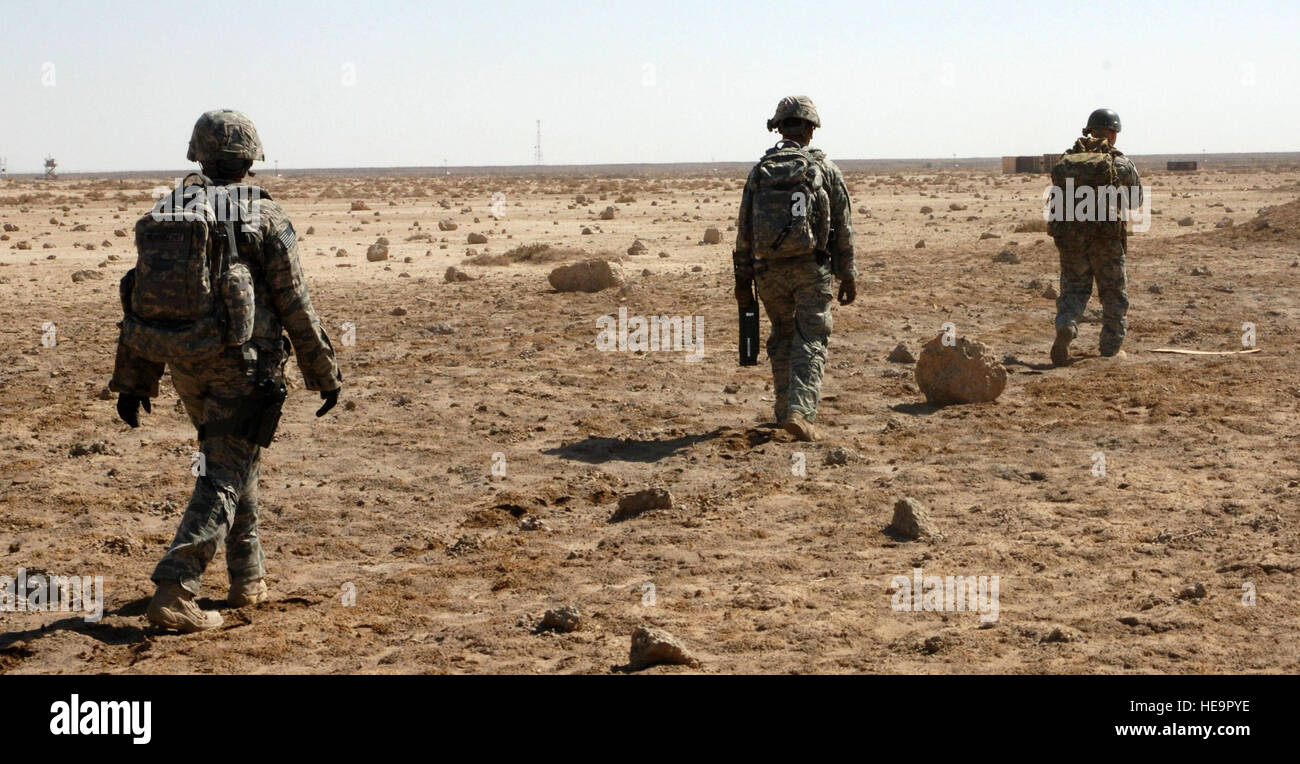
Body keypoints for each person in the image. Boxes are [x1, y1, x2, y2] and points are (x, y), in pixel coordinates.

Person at [110, 109, 343, 632]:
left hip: (183, 360)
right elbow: (296, 304)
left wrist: (134, 379)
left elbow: (143, 299)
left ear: (198, 153)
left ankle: (247, 578)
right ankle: (176, 586)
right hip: (243, 363)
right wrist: (324, 372)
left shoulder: (169, 209)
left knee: (236, 458)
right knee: (224, 470)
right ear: (251, 157)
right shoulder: (264, 215)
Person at [733, 96, 856, 442]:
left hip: (768, 272)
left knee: (783, 336)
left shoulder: (761, 171)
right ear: (810, 129)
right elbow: (843, 228)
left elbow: (743, 229)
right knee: (811, 340)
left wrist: (742, 279)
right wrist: (848, 273)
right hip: (811, 269)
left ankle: (785, 409)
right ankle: (800, 412)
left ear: (779, 127)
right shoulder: (825, 170)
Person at [1050, 107, 1142, 365]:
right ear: (1112, 133)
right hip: (1106, 240)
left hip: (1070, 240)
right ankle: (1111, 349)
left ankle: (1067, 325)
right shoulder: (1121, 163)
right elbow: (1136, 201)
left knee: (1073, 291)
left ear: (1089, 131)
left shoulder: (1067, 160)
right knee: (1113, 293)